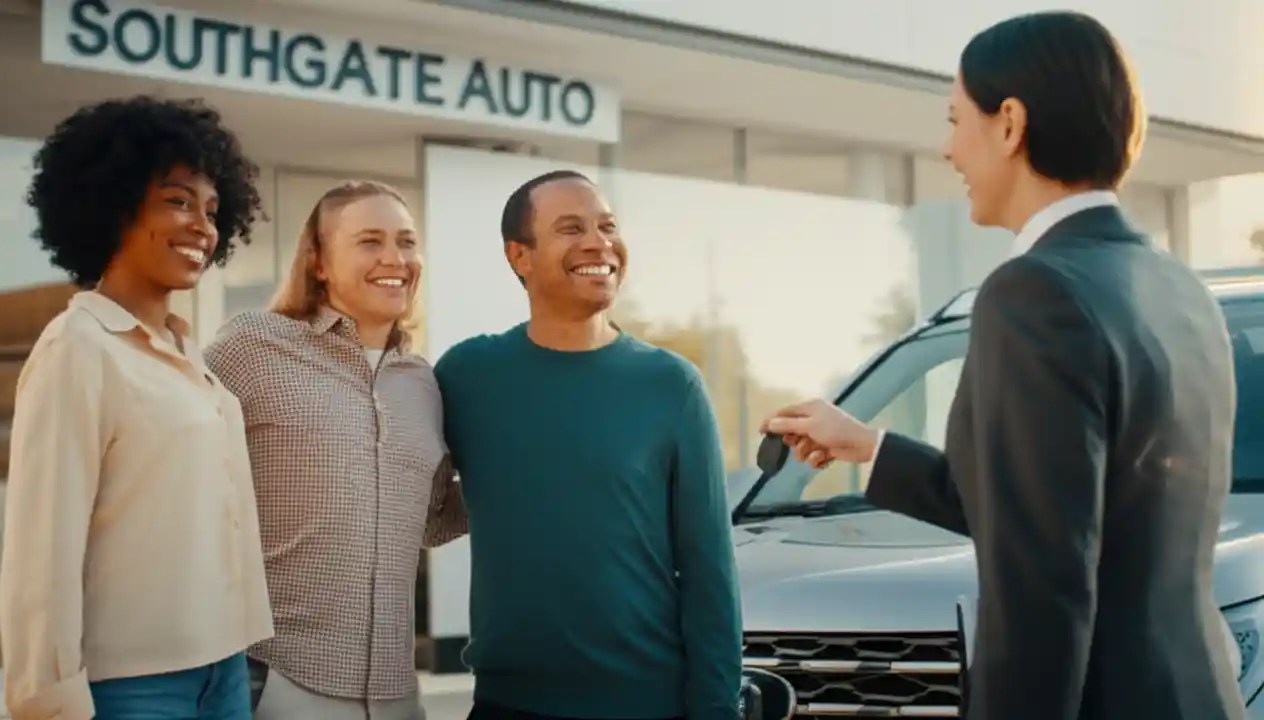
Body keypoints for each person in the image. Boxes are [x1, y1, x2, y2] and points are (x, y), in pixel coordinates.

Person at [763, 11, 1247, 720]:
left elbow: (1043, 583)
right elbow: (1053, 514)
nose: (949, 149)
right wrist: (867, 447)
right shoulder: (1179, 288)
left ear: (1011, 123)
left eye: (957, 119)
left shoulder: (1033, 293)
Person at [0, 95, 273, 720]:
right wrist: (50, 703)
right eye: (177, 200)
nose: (203, 225)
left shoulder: (184, 353)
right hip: (132, 688)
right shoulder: (78, 346)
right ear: (112, 205)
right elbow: (42, 552)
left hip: (224, 670)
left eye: (210, 208)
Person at [433, 170, 742, 720]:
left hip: (643, 706)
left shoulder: (671, 384)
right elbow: (398, 483)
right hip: (507, 705)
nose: (599, 243)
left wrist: (717, 710)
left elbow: (709, 571)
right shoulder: (466, 376)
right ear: (519, 257)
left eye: (607, 226)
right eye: (571, 228)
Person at [204, 180, 467, 720]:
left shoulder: (423, 384)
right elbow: (179, 480)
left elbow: (429, 522)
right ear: (318, 261)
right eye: (370, 241)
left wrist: (521, 480)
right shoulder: (251, 347)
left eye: (407, 241)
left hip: (397, 694)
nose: (395, 258)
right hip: (278, 679)